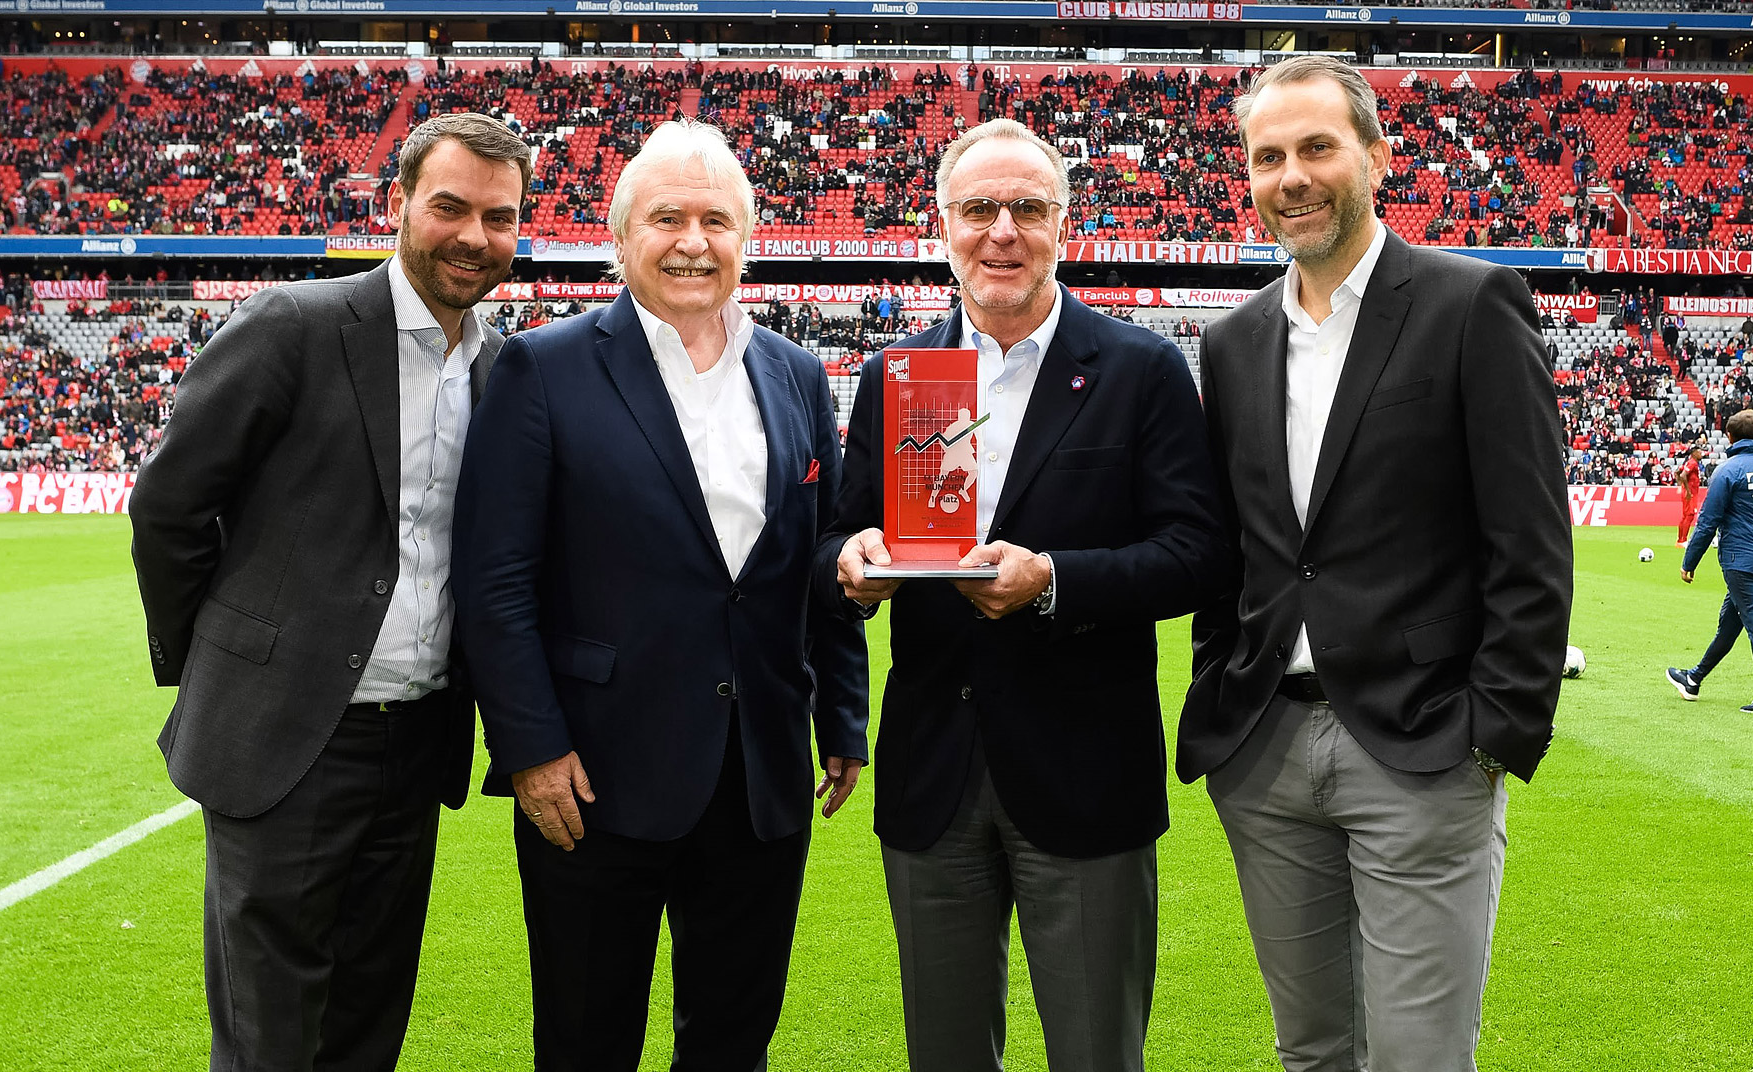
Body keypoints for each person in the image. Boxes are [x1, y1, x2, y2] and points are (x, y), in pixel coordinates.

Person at [1180, 57, 1574, 1072]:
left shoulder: (1470, 304)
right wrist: (1222, 688)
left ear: (1377, 156)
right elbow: (1238, 550)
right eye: (1269, 156)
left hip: (1423, 749)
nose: (1293, 175)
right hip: (1266, 752)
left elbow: (1530, 543)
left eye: (1317, 147)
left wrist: (1494, 733)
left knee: (1418, 1057)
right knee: (1312, 1051)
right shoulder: (1231, 342)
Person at [452, 119, 868, 1072]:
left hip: (760, 774)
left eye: (716, 220)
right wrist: (530, 747)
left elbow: (816, 562)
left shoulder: (797, 374)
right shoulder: (543, 366)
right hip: (593, 776)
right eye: (667, 217)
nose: (693, 240)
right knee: (586, 1040)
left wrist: (844, 718)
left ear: (747, 238)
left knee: (733, 1040)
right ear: (619, 235)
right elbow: (496, 580)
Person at [820, 118, 1228, 1072]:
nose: (1001, 231)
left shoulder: (1140, 370)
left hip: (1084, 773)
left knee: (1096, 1054)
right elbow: (833, 536)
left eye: (1027, 208)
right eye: (978, 209)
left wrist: (1055, 582)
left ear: (1063, 222)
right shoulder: (899, 375)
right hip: (934, 772)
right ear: (942, 224)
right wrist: (852, 560)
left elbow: (1200, 554)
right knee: (946, 1055)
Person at [128, 113, 527, 1072]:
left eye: (500, 217)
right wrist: (228, 664)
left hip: (419, 738)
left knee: (368, 1021)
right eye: (450, 207)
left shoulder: (505, 363)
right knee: (269, 1038)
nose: (474, 237)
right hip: (286, 738)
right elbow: (170, 509)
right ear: (398, 205)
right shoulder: (293, 325)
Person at [1666, 410, 1753, 714]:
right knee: (1730, 623)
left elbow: (1707, 522)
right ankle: (1693, 679)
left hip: (1740, 559)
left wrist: (1690, 561)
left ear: (1730, 437)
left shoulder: (1728, 471)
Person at [1677, 444, 1704, 548]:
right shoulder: (1692, 463)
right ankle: (1683, 540)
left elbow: (1678, 472)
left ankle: (1680, 540)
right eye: (1699, 452)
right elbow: (1683, 475)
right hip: (1690, 494)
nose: (1701, 454)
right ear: (1694, 453)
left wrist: (1681, 486)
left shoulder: (1690, 462)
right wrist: (1687, 491)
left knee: (1686, 516)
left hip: (1690, 492)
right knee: (1689, 515)